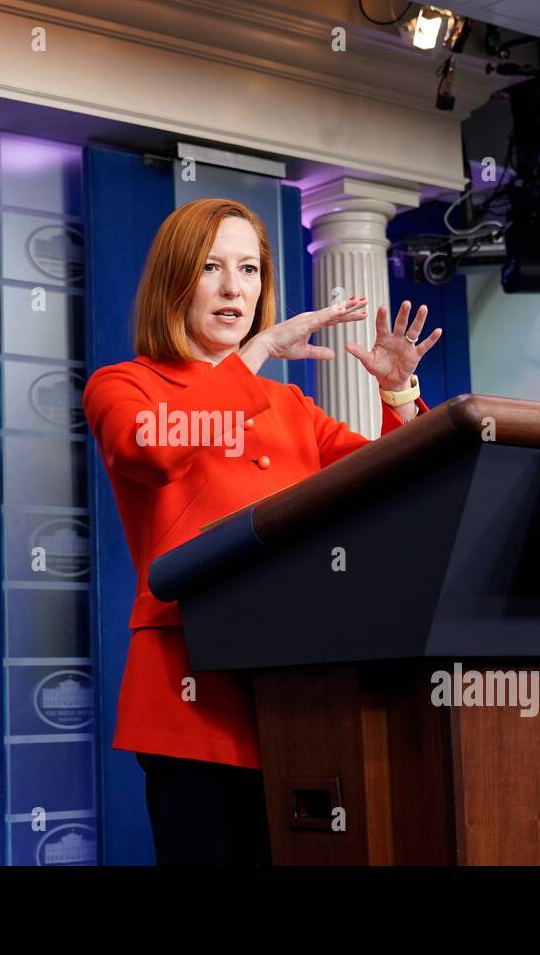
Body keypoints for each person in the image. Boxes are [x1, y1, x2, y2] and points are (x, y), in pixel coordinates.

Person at [82, 197, 440, 865]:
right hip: (193, 697)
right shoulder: (124, 384)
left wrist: (398, 396)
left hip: (302, 692)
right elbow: (153, 448)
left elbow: (390, 483)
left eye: (249, 269)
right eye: (211, 267)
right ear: (173, 281)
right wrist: (258, 354)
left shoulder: (290, 405)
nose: (234, 287)